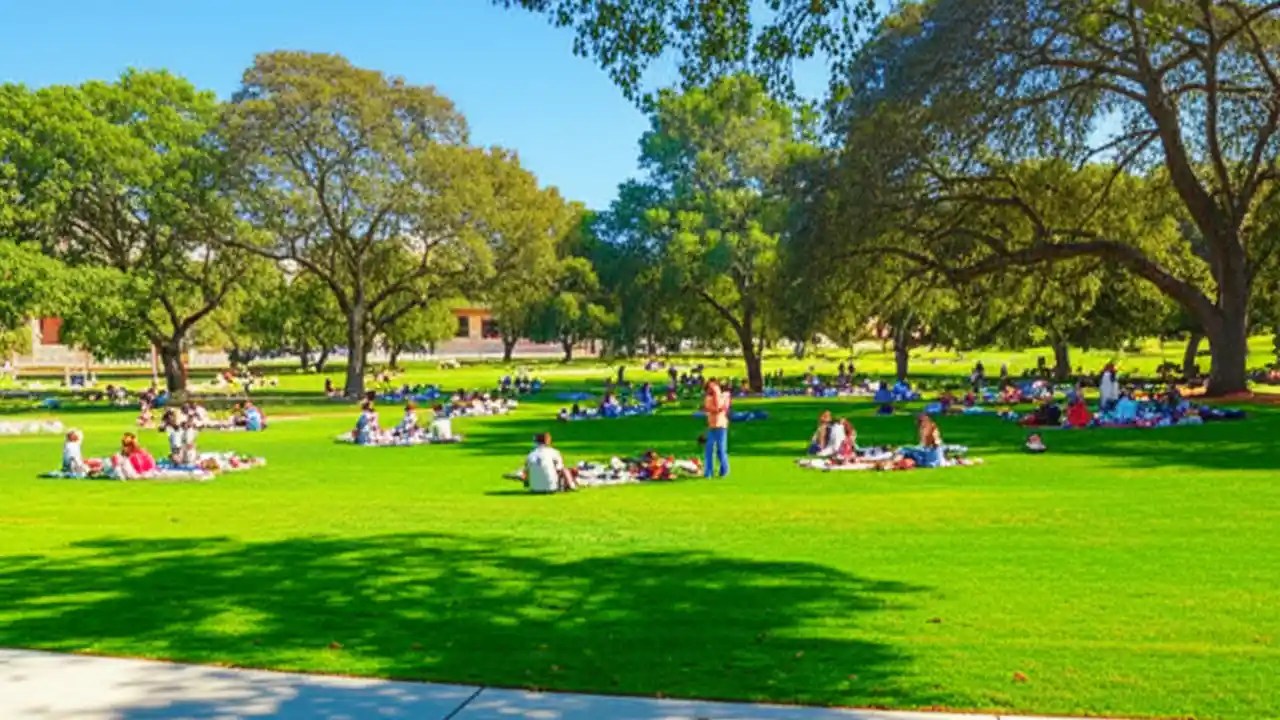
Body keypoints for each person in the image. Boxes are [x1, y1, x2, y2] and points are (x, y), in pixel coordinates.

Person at [702, 380, 730, 478]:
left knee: (721, 450)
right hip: (712, 426)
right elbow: (713, 409)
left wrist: (717, 393)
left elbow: (720, 407)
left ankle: (724, 470)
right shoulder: (708, 398)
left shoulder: (725, 396)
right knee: (708, 450)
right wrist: (715, 395)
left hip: (721, 426)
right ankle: (708, 472)